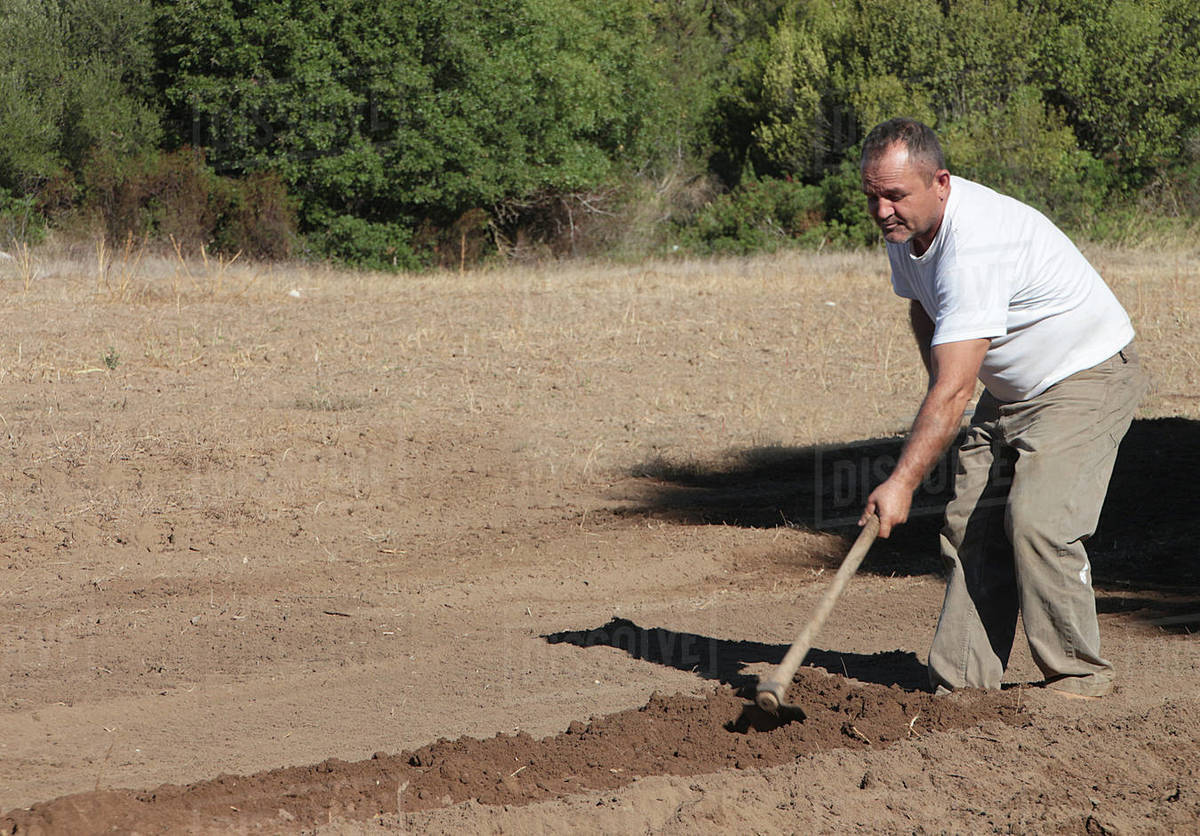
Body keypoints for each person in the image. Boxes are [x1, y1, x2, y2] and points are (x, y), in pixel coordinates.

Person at [856, 117, 1146, 698]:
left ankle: (1079, 677)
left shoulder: (975, 244)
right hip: (1013, 388)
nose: (883, 210)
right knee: (971, 526)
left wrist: (902, 481)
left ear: (940, 182)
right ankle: (963, 686)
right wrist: (943, 383)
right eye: (873, 196)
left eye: (895, 195)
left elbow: (957, 390)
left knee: (1039, 523)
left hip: (1084, 376)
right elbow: (922, 303)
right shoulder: (909, 233)